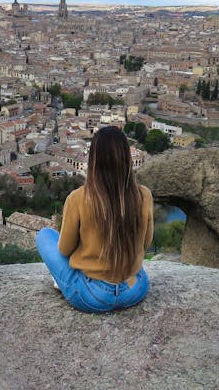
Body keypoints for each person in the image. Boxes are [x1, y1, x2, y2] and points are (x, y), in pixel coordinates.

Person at [36, 125, 153, 313]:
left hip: (94, 295)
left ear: (94, 159)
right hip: (134, 289)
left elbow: (65, 249)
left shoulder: (77, 198)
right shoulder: (143, 195)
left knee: (44, 235)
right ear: (126, 159)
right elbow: (146, 242)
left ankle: (66, 281)